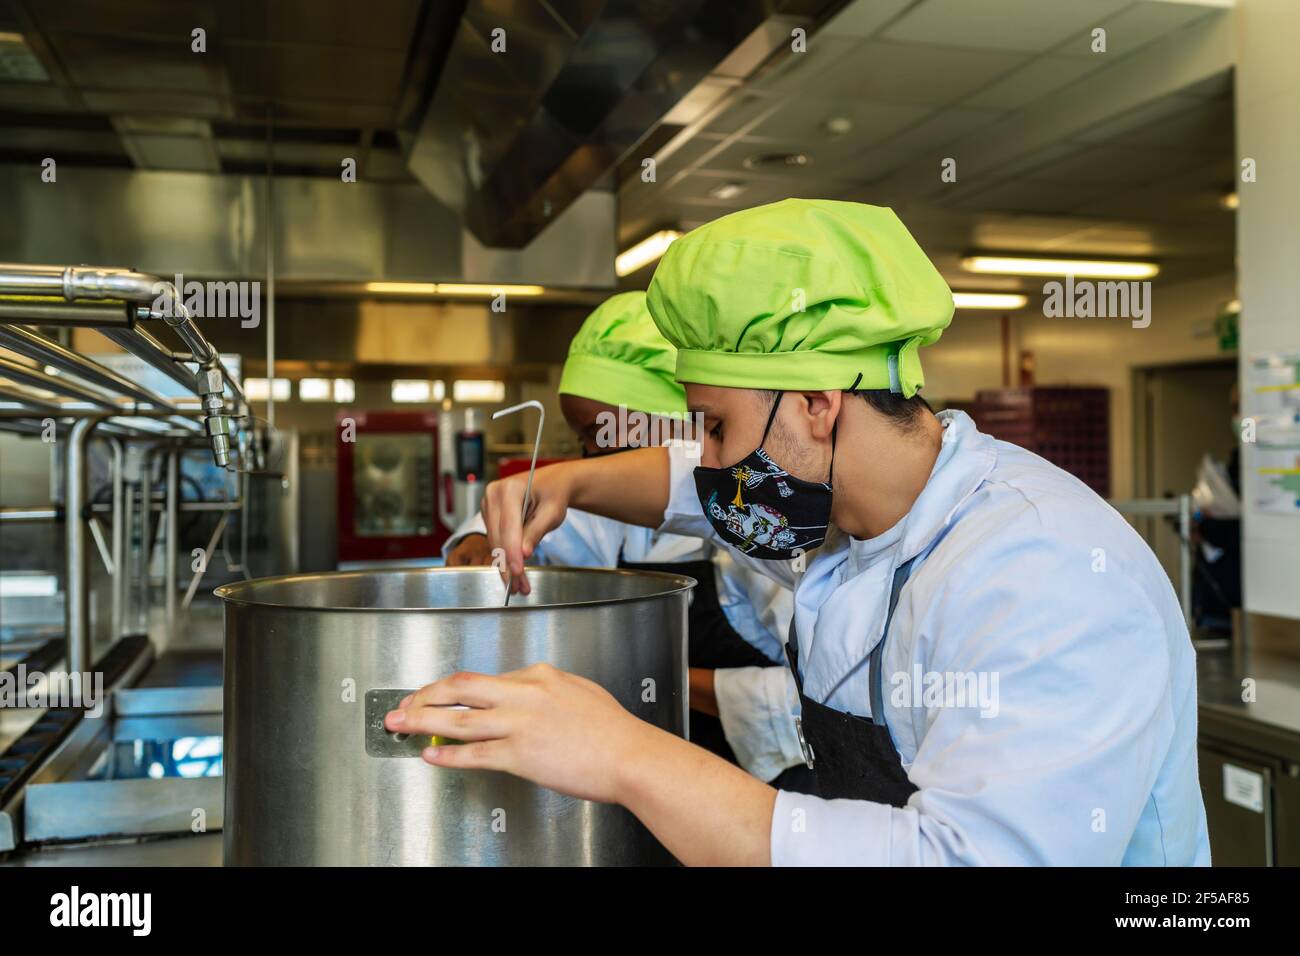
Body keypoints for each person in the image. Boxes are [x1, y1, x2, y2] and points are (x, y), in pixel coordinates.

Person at [388, 199, 1210, 865]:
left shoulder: (1040, 571)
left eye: (712, 425)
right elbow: (683, 485)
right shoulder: (845, 517)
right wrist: (568, 480)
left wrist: (627, 758)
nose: (704, 459)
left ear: (818, 403)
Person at [444, 291, 802, 781]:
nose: (591, 453)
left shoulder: (767, 515)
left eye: (601, 432)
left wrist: (640, 682)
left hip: (767, 781)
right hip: (658, 771)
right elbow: (546, 526)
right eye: (580, 439)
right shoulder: (615, 508)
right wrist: (482, 541)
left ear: (669, 413)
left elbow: (810, 704)